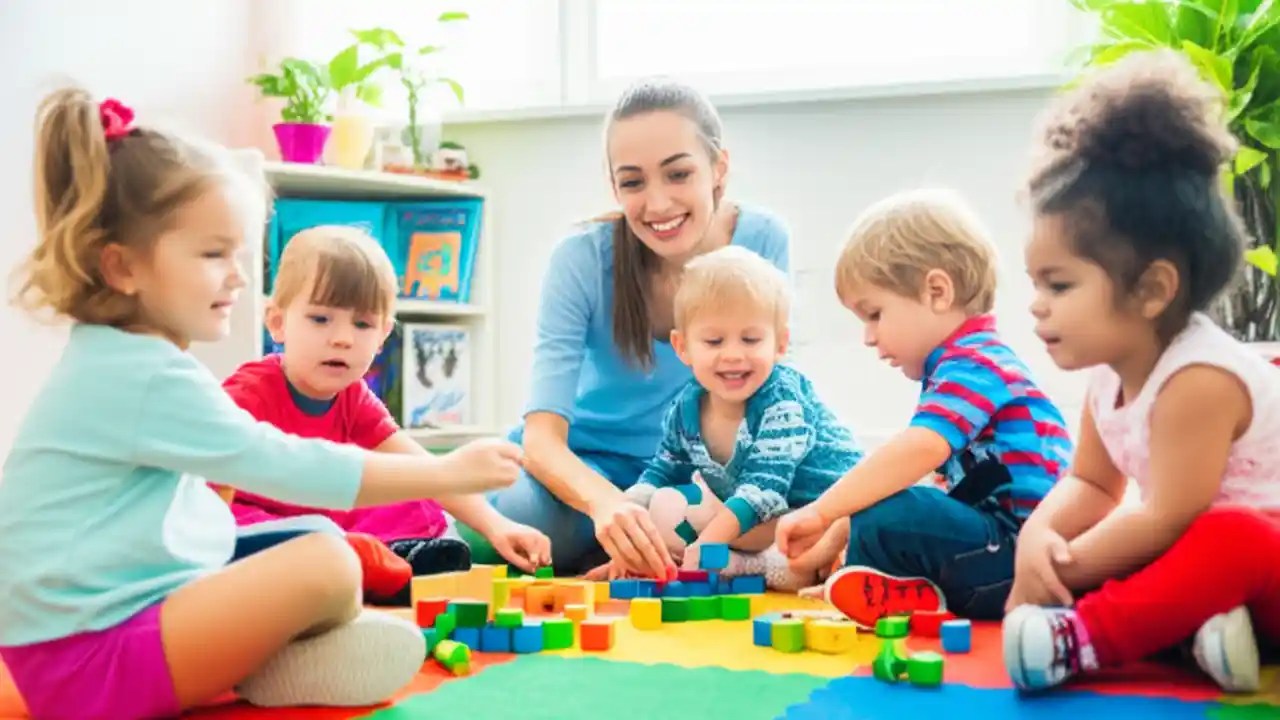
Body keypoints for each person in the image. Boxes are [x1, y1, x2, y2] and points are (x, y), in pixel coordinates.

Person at [0, 89, 520, 719]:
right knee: (327, 562)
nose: (239, 276)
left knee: (319, 539)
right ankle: (274, 663)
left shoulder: (127, 361)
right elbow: (290, 463)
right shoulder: (140, 375)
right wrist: (445, 471)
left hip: (110, 626)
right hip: (87, 668)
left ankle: (277, 658)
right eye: (214, 254)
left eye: (238, 255)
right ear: (123, 267)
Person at [1003, 50, 1280, 694]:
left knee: (1229, 536)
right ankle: (1198, 631)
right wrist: (1037, 537)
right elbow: (1091, 484)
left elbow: (1166, 518)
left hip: (1261, 560)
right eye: (1036, 283)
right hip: (1204, 572)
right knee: (1140, 549)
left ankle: (1082, 638)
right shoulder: (1109, 374)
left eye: (1060, 284)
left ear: (1152, 289)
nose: (1037, 304)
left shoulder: (1200, 379)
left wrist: (1061, 573)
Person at [490, 78, 792, 576]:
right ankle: (617, 544)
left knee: (777, 515)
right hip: (583, 472)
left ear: (718, 168)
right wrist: (610, 507)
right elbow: (541, 437)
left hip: (697, 475)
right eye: (633, 182)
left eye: (677, 174)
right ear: (615, 187)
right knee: (515, 516)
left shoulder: (761, 240)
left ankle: (631, 550)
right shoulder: (579, 260)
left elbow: (768, 399)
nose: (657, 205)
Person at [776, 188, 1072, 628]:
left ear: (937, 291)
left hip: (1016, 556)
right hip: (999, 555)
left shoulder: (975, 363)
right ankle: (878, 588)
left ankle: (876, 586)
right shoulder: (966, 366)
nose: (869, 337)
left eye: (874, 314)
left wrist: (822, 509)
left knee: (896, 508)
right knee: (892, 500)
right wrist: (830, 543)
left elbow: (915, 452)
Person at [220, 225, 551, 604]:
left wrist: (497, 526)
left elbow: (424, 470)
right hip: (268, 518)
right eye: (320, 319)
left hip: (334, 515)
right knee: (239, 528)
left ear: (382, 336)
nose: (342, 338)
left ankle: (393, 563)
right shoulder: (249, 393)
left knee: (419, 501)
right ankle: (373, 565)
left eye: (362, 324)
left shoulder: (354, 397)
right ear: (278, 322)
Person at [622, 245, 862, 586]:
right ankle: (740, 561)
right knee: (662, 504)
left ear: (780, 344)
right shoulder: (686, 407)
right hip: (768, 521)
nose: (733, 355)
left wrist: (708, 544)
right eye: (714, 341)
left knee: (797, 552)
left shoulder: (782, 400)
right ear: (683, 347)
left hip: (825, 516)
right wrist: (625, 531)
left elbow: (764, 487)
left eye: (750, 339)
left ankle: (753, 566)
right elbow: (663, 469)